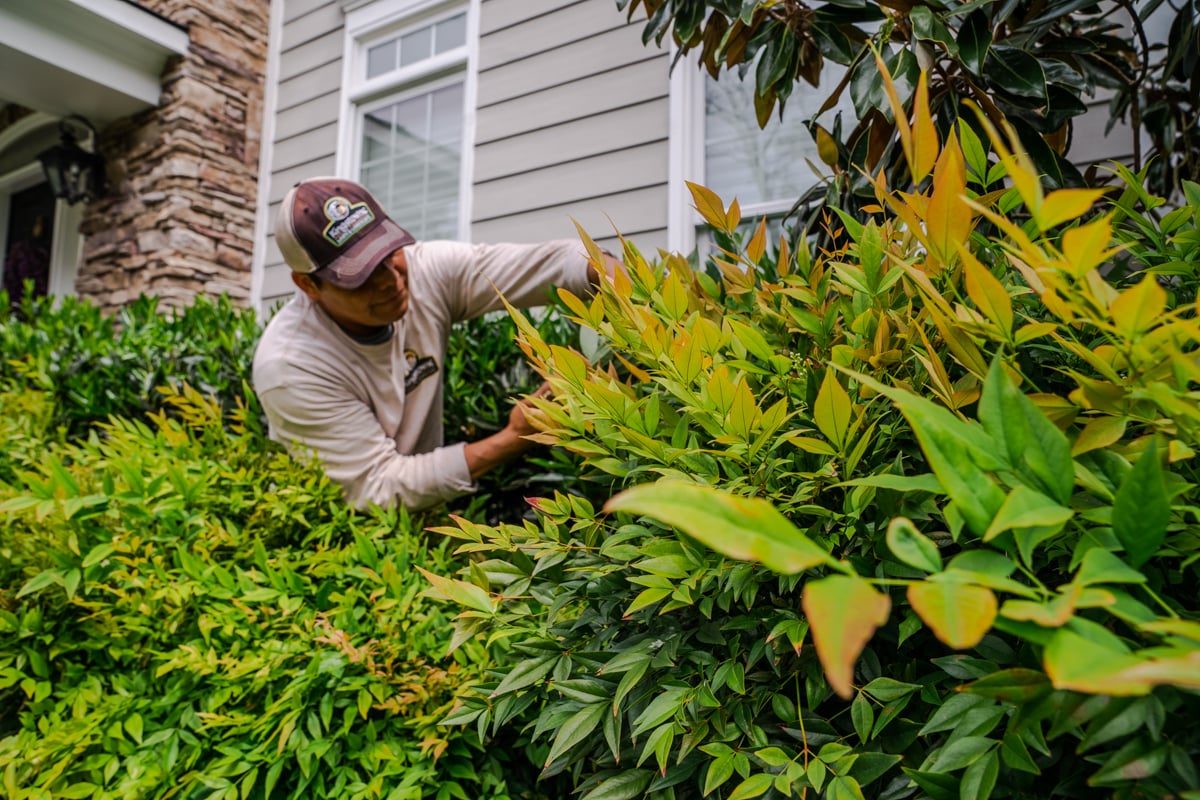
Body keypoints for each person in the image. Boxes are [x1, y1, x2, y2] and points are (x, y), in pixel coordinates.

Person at [252, 177, 614, 511]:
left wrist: (637, 288)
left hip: (431, 514)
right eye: (360, 276)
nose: (390, 280)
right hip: (349, 540)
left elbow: (554, 265)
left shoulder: (423, 269)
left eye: (386, 253)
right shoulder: (291, 365)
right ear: (308, 285)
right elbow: (376, 485)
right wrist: (514, 437)